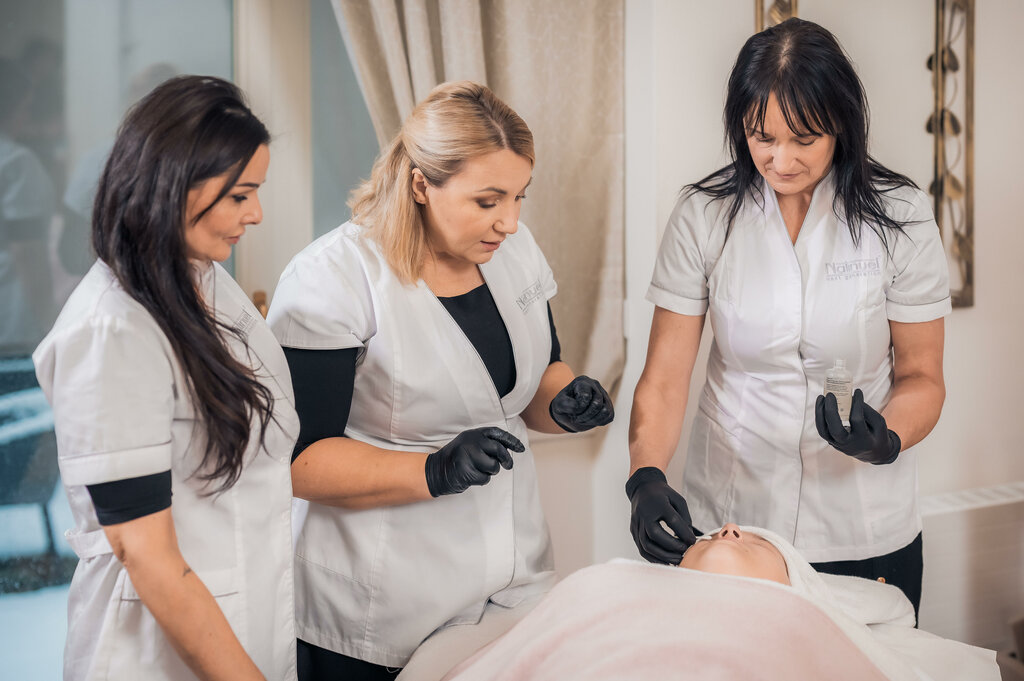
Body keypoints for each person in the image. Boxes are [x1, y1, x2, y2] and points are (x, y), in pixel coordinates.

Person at [267, 80, 615, 680]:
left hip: (510, 580)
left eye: (518, 197)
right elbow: (299, 462)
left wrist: (565, 401)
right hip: (380, 603)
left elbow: (533, 382)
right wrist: (431, 471)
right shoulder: (335, 279)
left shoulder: (512, 249)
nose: (508, 221)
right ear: (422, 185)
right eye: (488, 201)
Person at [626, 17, 949, 615]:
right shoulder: (704, 217)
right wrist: (645, 475)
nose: (781, 159)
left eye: (805, 138)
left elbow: (923, 377)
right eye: (761, 135)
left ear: (842, 127)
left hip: (863, 523)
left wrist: (889, 437)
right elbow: (665, 379)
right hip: (734, 519)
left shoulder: (900, 217)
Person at [32, 76, 298, 681]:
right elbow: (143, 551)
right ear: (175, 184)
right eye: (240, 195)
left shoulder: (202, 280)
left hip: (240, 619)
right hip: (152, 651)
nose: (255, 214)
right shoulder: (113, 329)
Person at [439, 526, 999, 681]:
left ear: (791, 584)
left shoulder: (800, 620)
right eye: (712, 534)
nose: (728, 527)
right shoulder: (610, 581)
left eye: (759, 540)